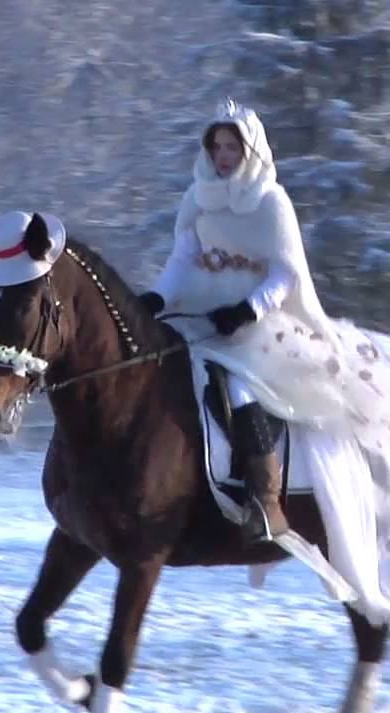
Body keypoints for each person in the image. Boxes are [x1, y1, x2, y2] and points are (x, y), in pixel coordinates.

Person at [138, 97, 346, 543]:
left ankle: (267, 501)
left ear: (250, 150)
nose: (223, 156)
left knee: (238, 384)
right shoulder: (197, 197)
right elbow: (183, 257)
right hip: (202, 311)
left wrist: (249, 308)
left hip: (260, 321)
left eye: (231, 147)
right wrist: (158, 296)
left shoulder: (271, 201)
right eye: (216, 147)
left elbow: (285, 272)